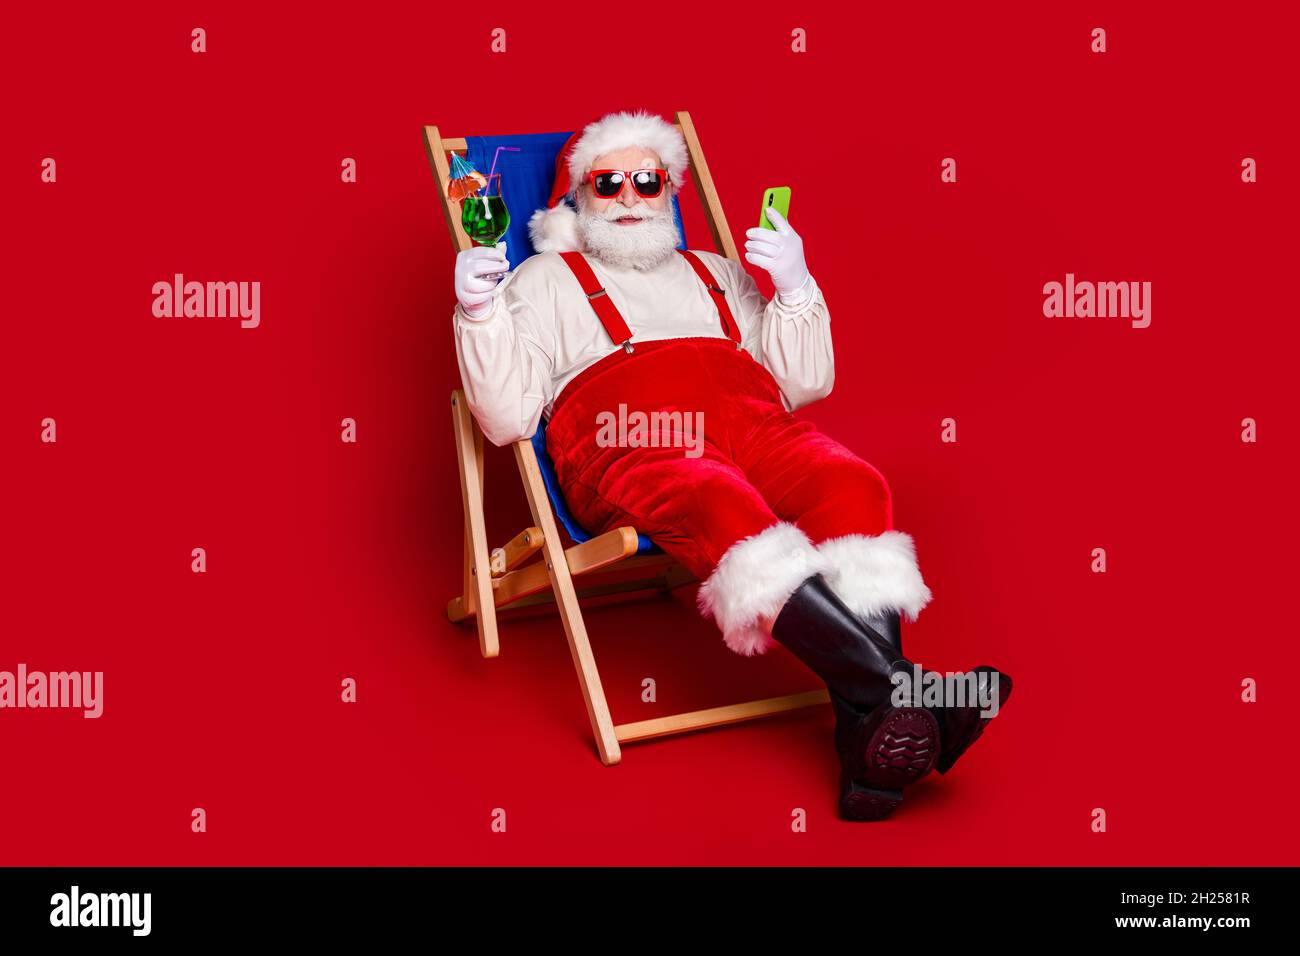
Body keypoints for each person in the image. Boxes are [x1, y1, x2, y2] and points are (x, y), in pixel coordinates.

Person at [451, 109, 1011, 820]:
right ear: (575, 199)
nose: (629, 195)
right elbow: (506, 418)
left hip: (756, 428)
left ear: (671, 190)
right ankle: (918, 698)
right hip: (632, 441)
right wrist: (478, 311)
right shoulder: (543, 282)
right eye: (608, 181)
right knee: (720, 502)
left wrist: (796, 288)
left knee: (852, 483)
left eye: (648, 181)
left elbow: (802, 383)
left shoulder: (714, 271)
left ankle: (873, 735)